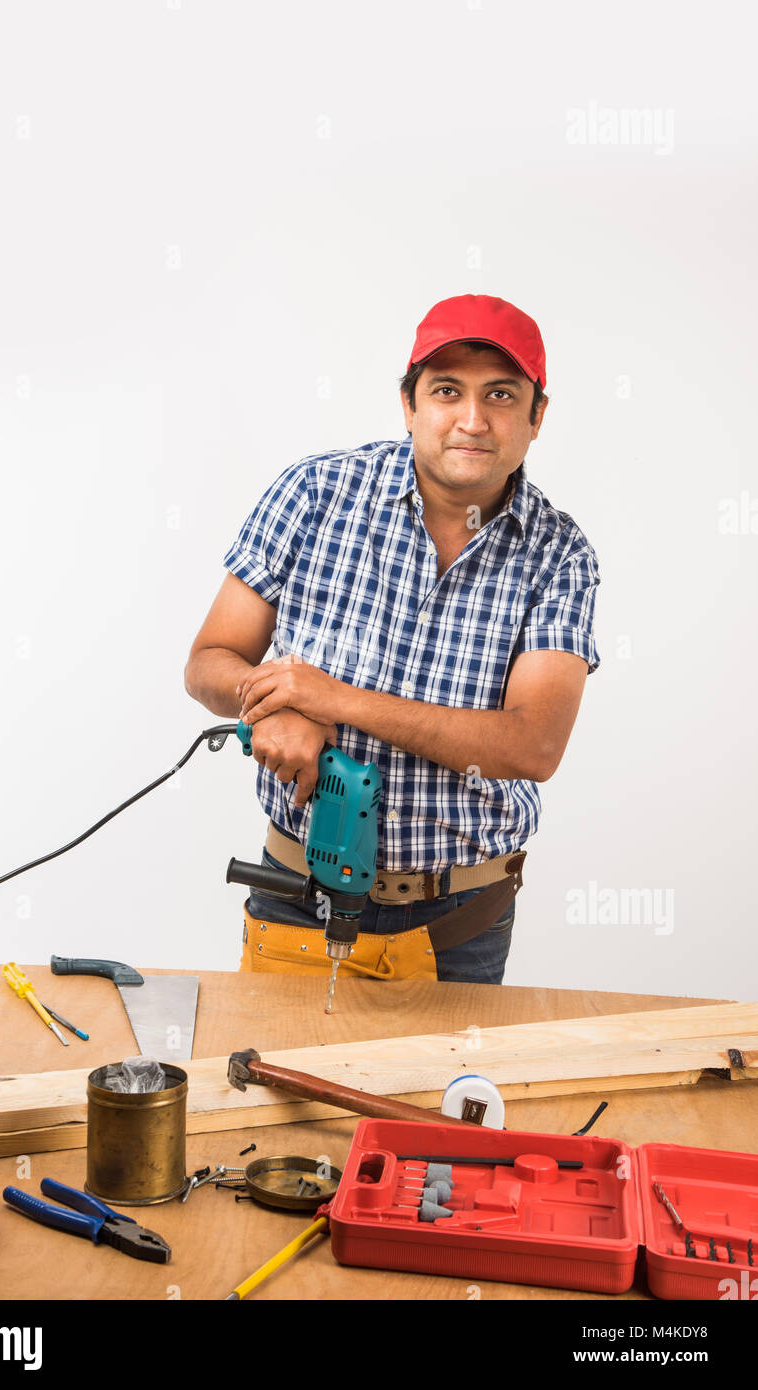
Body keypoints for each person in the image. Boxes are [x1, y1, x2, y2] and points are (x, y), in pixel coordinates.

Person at [185, 293, 600, 985]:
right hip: (296, 897)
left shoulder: (560, 555)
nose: (471, 420)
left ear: (536, 417)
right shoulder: (314, 493)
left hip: (458, 920)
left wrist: (331, 700)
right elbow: (208, 663)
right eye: (446, 392)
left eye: (500, 394)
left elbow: (532, 745)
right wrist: (274, 704)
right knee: (273, 1090)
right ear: (409, 405)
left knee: (431, 1098)